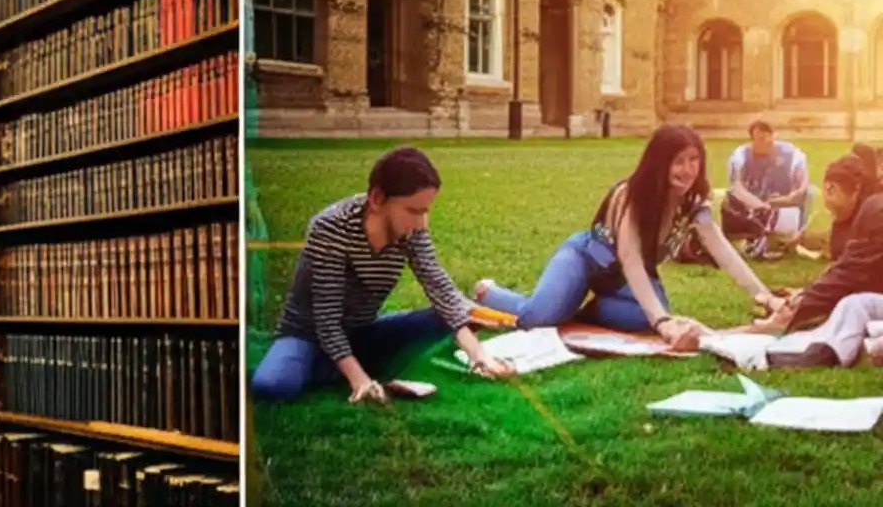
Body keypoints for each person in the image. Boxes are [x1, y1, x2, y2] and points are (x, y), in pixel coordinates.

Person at [474, 124, 782, 348]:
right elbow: (631, 259)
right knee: (538, 318)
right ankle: (489, 293)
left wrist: (764, 295)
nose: (687, 170)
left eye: (693, 160)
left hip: (622, 281)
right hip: (587, 259)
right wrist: (661, 322)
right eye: (678, 161)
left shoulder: (694, 200)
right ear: (660, 163)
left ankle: (588, 311)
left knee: (649, 317)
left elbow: (721, 249)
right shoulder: (631, 195)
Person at [250, 146, 515, 403]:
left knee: (449, 312)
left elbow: (439, 287)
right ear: (377, 199)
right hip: (308, 334)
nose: (421, 223)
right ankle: (330, 366)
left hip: (363, 331)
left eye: (425, 211)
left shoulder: (412, 230)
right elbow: (326, 320)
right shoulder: (330, 227)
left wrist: (480, 357)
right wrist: (360, 381)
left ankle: (336, 366)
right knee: (272, 386)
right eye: (413, 210)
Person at [748, 157, 883, 336]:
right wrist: (806, 293)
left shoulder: (874, 214)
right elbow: (842, 270)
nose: (827, 196)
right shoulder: (846, 221)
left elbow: (848, 275)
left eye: (831, 189)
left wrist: (800, 306)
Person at [722, 120, 812, 259]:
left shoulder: (793, 155)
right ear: (752, 140)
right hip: (752, 208)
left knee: (807, 196)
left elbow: (802, 189)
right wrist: (759, 205)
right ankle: (751, 237)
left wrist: (780, 202)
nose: (766, 142)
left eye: (768, 137)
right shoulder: (741, 156)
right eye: (760, 139)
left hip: (782, 208)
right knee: (729, 201)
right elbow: (737, 187)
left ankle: (779, 236)